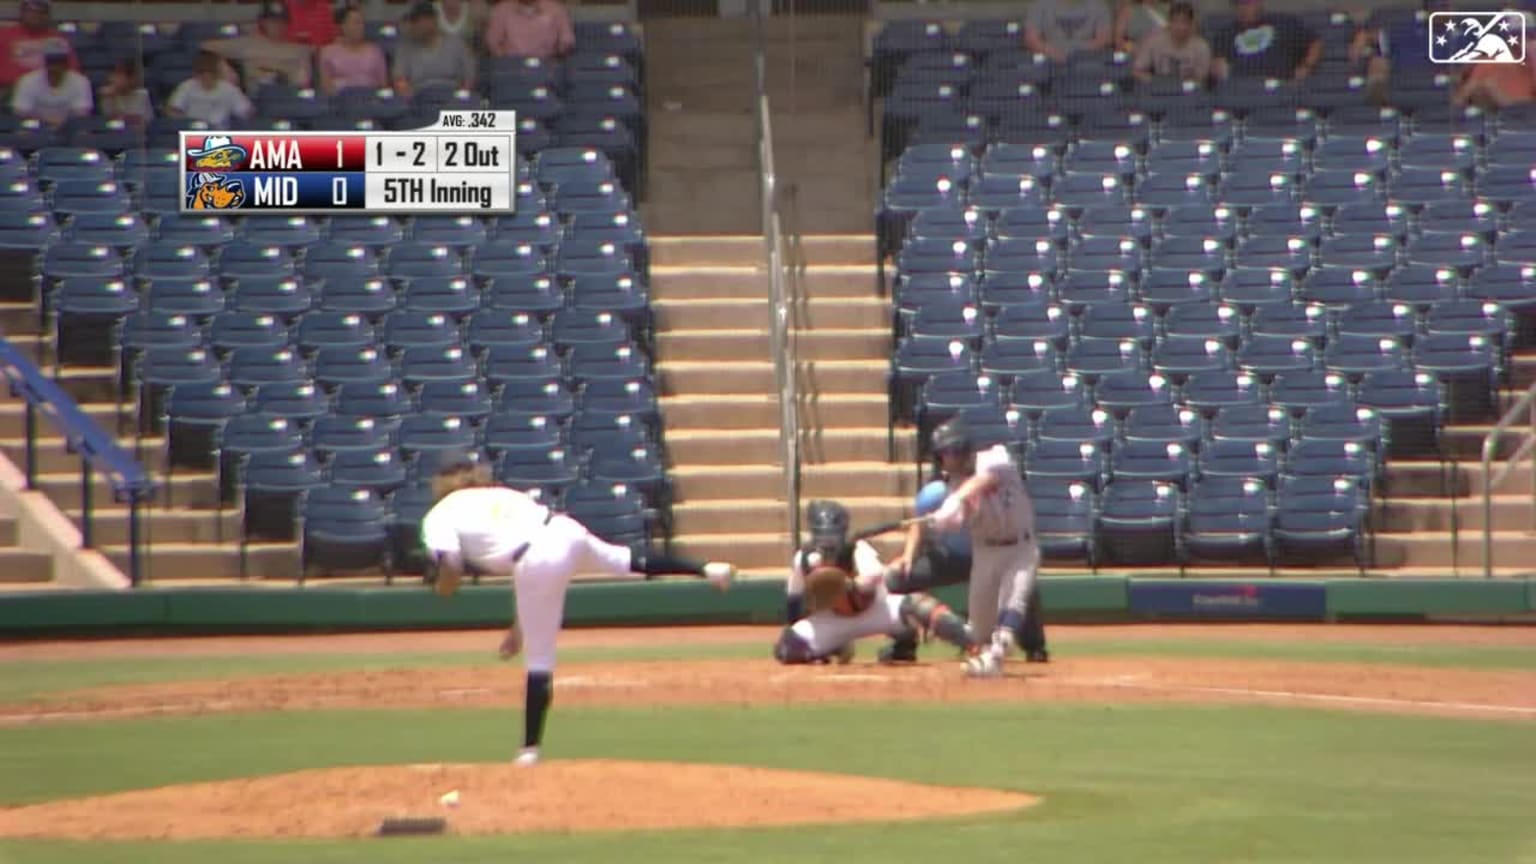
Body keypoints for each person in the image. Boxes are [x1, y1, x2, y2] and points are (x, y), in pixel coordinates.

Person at [420, 450, 736, 766]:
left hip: (537, 558)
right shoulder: (500, 493)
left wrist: (443, 590)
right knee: (626, 560)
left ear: (439, 484)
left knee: (540, 659)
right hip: (563, 531)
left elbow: (452, 565)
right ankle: (708, 569)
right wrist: (519, 629)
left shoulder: (438, 515)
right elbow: (527, 569)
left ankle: (529, 751)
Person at [774, 500, 974, 666]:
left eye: (833, 536)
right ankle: (834, 647)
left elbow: (874, 577)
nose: (828, 543)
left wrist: (844, 584)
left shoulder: (858, 549)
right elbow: (794, 601)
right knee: (786, 649)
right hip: (832, 621)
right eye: (824, 536)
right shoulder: (803, 559)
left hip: (875, 612)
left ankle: (970, 642)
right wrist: (796, 630)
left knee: (919, 605)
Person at [885, 477, 1051, 664]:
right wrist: (908, 556)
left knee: (1023, 584)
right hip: (947, 558)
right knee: (894, 580)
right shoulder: (936, 492)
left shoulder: (992, 488)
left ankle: (1034, 647)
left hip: (986, 555)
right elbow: (919, 523)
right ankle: (904, 644)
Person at [923, 418, 1042, 678]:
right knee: (977, 630)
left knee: (1014, 601)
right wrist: (940, 522)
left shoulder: (994, 456)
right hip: (986, 552)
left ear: (962, 449)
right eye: (942, 454)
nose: (945, 459)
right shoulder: (952, 484)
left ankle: (996, 658)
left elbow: (985, 480)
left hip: (1020, 547)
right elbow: (958, 520)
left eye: (949, 452)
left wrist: (955, 499)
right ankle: (983, 652)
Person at [202, 0, 314, 90]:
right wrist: (223, 65)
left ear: (287, 24)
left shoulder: (299, 49)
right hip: (256, 100)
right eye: (272, 21)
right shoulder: (247, 43)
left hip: (287, 98)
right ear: (263, 23)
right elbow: (206, 47)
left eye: (281, 22)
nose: (277, 26)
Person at [1208, 0, 1320, 81]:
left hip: (1280, 86)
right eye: (1237, 3)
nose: (1242, 8)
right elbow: (1218, 62)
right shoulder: (1226, 34)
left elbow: (1314, 42)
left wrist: (1306, 66)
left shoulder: (1284, 23)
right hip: (1241, 90)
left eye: (1247, 3)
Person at [392, 0, 476, 98]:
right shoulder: (405, 48)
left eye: (416, 21)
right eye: (411, 22)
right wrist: (406, 92)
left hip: (453, 98)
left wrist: (461, 96)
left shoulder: (456, 44)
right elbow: (400, 79)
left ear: (433, 20)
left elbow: (469, 77)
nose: (413, 26)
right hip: (419, 100)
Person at [0, 0, 76, 93]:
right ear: (22, 12)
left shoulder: (57, 38)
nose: (36, 15)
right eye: (31, 11)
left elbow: (72, 70)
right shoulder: (4, 35)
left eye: (42, 12)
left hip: (49, 91)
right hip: (10, 89)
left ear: (48, 15)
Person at [167, 51, 255, 127]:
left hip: (219, 133)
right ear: (197, 74)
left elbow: (246, 112)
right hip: (192, 129)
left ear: (216, 74)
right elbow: (172, 109)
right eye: (203, 74)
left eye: (210, 74)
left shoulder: (230, 90)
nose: (207, 78)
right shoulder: (187, 86)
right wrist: (184, 121)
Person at [1133, 2, 1213, 83]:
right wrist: (1154, 81)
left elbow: (1202, 79)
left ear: (1191, 24)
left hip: (1188, 91)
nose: (1179, 27)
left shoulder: (1201, 47)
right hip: (1159, 88)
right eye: (1175, 21)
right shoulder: (1153, 41)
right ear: (1169, 23)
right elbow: (1137, 70)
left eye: (1184, 22)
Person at [318, 5, 389, 95]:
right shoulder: (328, 52)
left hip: (370, 101)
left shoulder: (375, 51)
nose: (360, 27)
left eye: (362, 23)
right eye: (356, 23)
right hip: (340, 102)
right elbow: (326, 86)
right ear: (343, 26)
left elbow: (383, 84)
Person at [11, 49, 90, 127]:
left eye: (59, 63)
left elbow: (81, 112)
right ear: (45, 63)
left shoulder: (80, 81)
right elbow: (21, 112)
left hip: (69, 125)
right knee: (24, 126)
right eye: (51, 63)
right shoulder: (27, 80)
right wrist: (45, 122)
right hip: (35, 124)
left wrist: (61, 122)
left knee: (82, 129)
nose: (54, 67)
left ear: (66, 64)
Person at [1025, 0, 1114, 63]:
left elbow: (1104, 39)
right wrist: (1052, 52)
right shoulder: (1040, 5)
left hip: (1087, 60)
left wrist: (1078, 53)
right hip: (1050, 60)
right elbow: (1031, 39)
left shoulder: (1099, 5)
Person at [486, 0, 576, 60]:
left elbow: (566, 41)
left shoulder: (555, 9)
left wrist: (555, 58)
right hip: (511, 67)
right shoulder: (502, 10)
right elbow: (493, 43)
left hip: (547, 65)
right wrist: (505, 61)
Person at [98, 59, 153, 125]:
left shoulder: (142, 95)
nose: (115, 79)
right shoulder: (107, 95)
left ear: (131, 79)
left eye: (120, 76)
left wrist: (121, 120)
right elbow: (108, 125)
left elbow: (144, 124)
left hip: (136, 134)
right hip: (114, 134)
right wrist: (112, 98)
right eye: (115, 75)